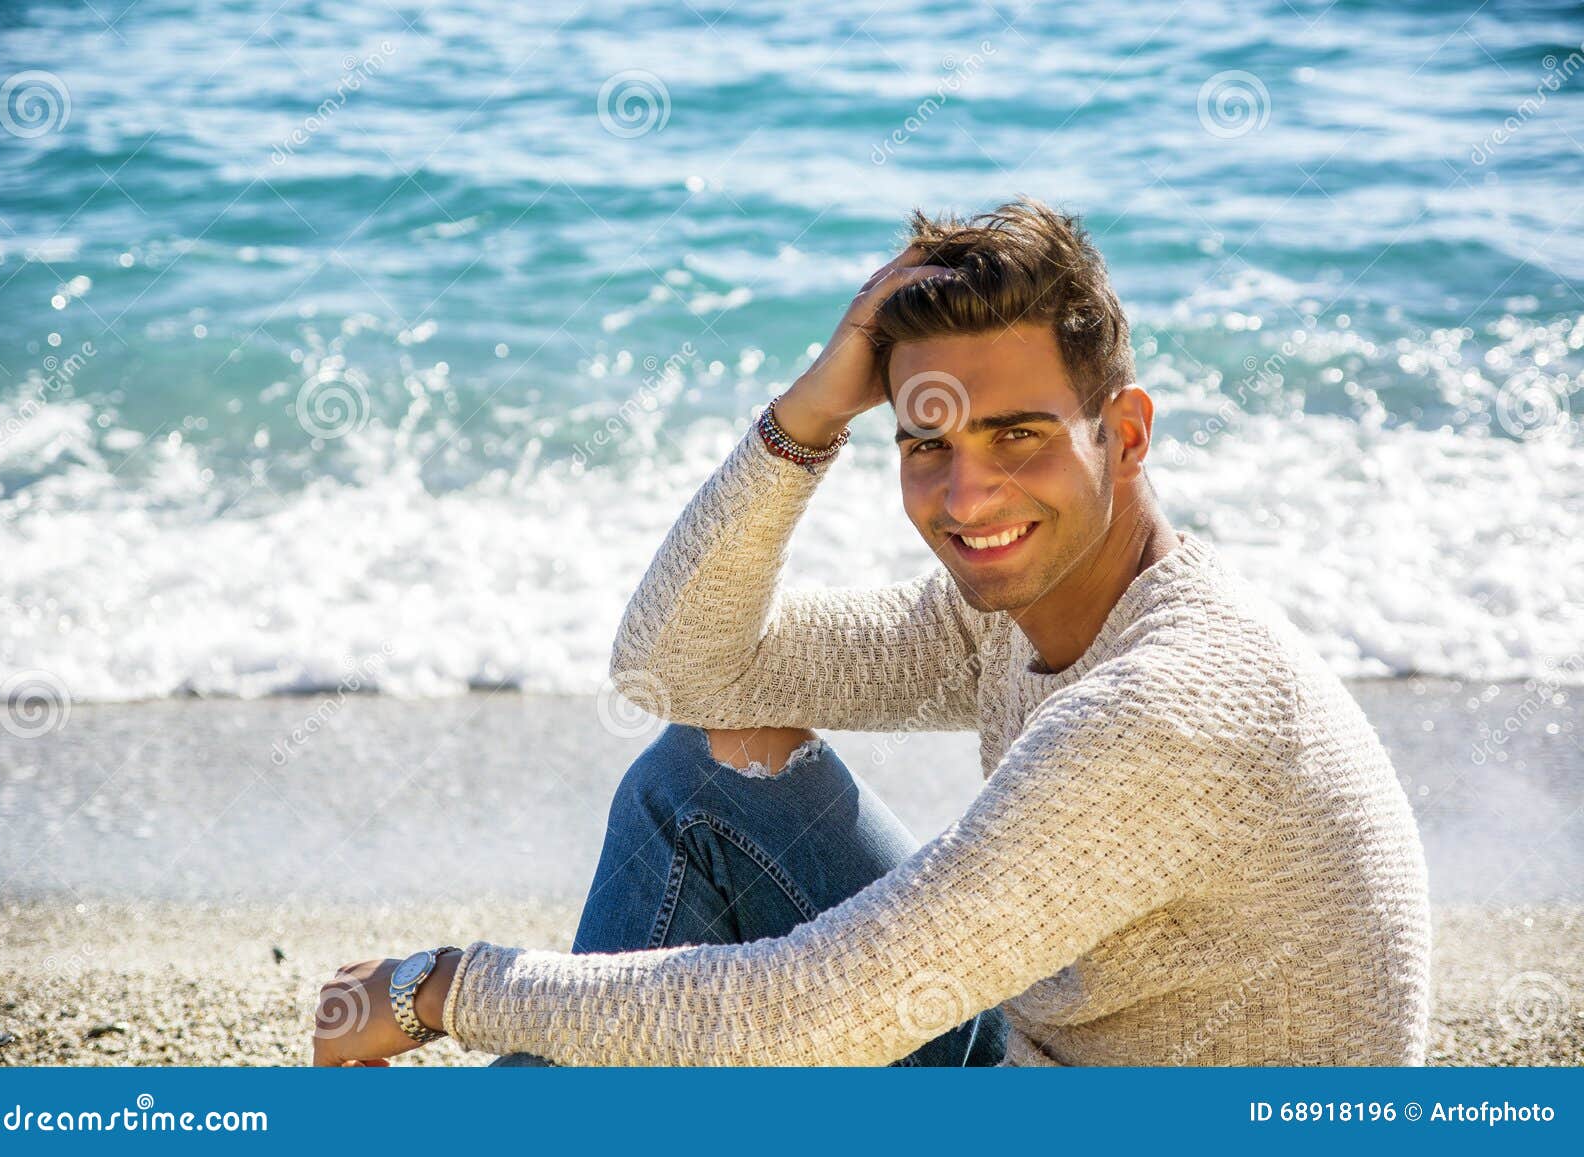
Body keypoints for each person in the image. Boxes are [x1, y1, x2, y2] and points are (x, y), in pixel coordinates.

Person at [312, 197, 1431, 1067]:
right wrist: (810, 414)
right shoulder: (1014, 615)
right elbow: (679, 665)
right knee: (708, 768)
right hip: (1051, 1064)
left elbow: (813, 1012)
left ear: (1124, 434)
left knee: (766, 1010)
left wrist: (439, 986)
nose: (967, 496)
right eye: (925, 442)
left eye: (1019, 435)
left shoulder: (1165, 705)